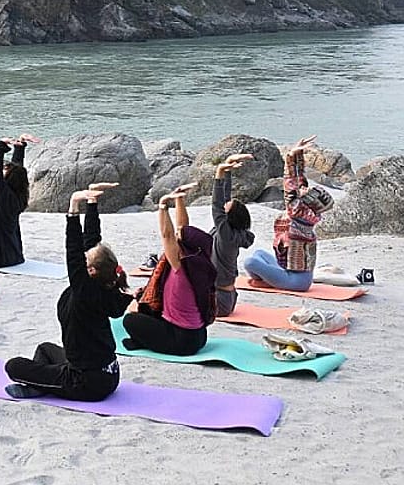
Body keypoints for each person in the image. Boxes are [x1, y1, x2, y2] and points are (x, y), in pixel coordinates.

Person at [4, 184, 132, 401]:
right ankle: (44, 383)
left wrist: (73, 208)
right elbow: (91, 241)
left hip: (86, 382)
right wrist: (92, 203)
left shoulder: (85, 290)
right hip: (109, 374)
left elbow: (73, 251)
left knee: (13, 366)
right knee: (45, 350)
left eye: (86, 259)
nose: (84, 255)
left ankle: (42, 386)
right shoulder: (104, 286)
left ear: (90, 270)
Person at [121, 186, 217, 356]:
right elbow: (183, 228)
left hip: (182, 340)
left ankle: (142, 342)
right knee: (146, 309)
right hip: (199, 335)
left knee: (130, 319)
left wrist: (163, 207)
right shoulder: (200, 260)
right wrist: (179, 199)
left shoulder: (180, 269)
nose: (177, 239)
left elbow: (167, 235)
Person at [243, 136, 334, 291]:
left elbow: (290, 189)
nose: (305, 190)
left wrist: (289, 157)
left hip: (296, 280)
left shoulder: (300, 214)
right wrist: (297, 155)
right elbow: (299, 182)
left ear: (310, 202)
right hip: (287, 269)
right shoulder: (303, 212)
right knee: (259, 253)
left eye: (309, 192)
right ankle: (268, 280)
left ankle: (268, 281)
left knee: (250, 263)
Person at [0, 133, 41, 268]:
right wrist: (20, 145)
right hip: (14, 255)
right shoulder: (18, 195)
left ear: (10, 176)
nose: (3, 171)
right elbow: (17, 168)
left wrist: (0, 146)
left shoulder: (4, 196)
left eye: (6, 170)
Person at [210, 154, 256, 316]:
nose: (225, 205)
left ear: (228, 217)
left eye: (227, 207)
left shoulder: (226, 237)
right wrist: (227, 170)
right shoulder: (227, 231)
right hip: (224, 296)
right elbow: (224, 200)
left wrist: (218, 173)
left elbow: (216, 206)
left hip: (219, 300)